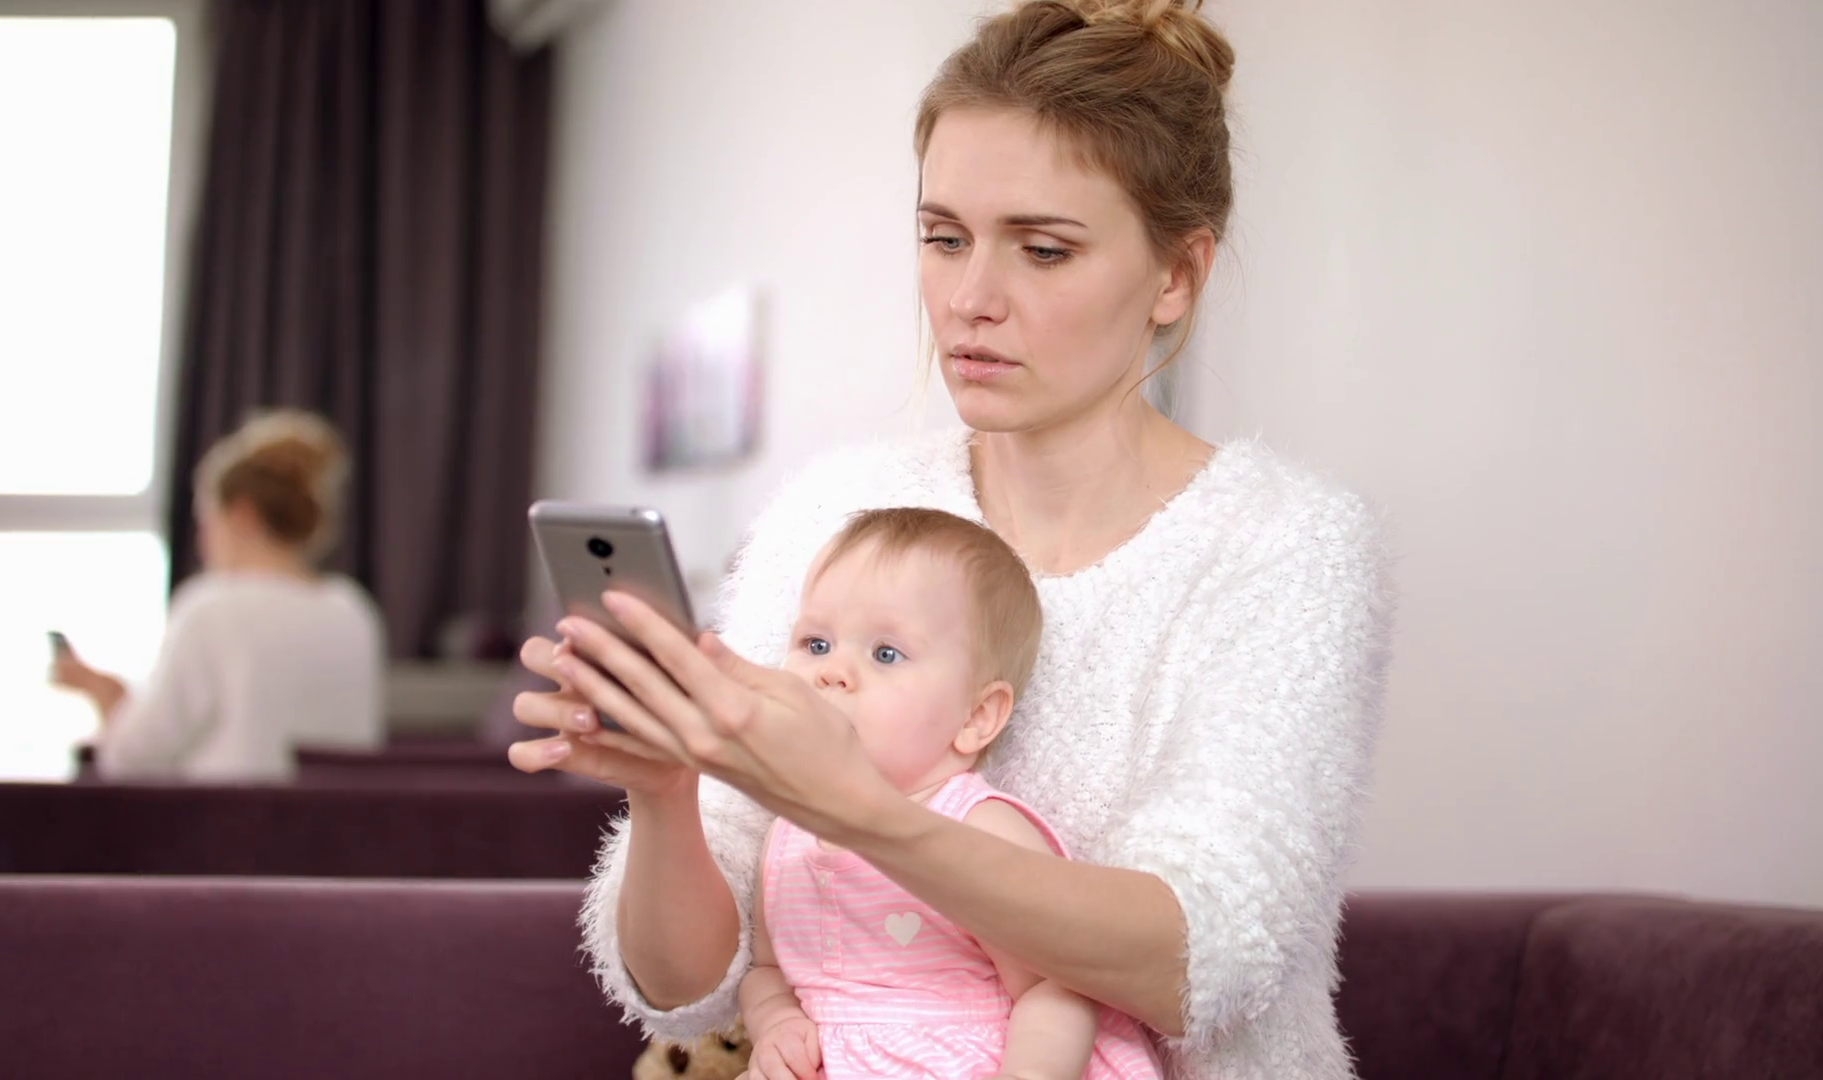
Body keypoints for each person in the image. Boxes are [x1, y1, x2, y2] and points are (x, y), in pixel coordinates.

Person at [511, 2, 1392, 1077]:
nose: (970, 300)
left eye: (1045, 249)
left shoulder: (1285, 542)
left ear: (1177, 274)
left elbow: (1202, 962)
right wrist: (665, 795)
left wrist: (858, 808)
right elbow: (692, 991)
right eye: (943, 238)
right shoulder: (834, 510)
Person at [740, 507, 1159, 1080]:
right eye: (815, 644)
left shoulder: (977, 830)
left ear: (977, 717)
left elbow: (1054, 989)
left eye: (885, 653)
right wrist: (775, 1021)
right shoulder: (786, 834)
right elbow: (767, 969)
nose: (833, 672)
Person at [53, 410, 386, 781]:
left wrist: (105, 693)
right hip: (331, 833)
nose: (201, 540)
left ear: (241, 513)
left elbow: (133, 756)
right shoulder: (353, 612)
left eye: (206, 520)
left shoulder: (211, 610)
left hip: (229, 829)